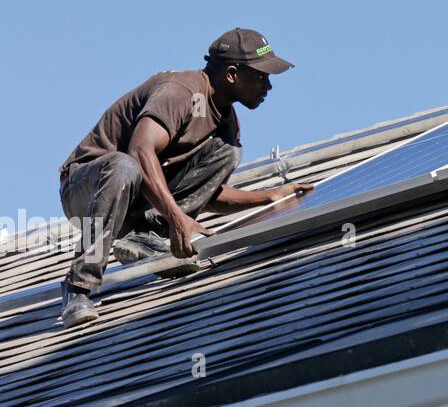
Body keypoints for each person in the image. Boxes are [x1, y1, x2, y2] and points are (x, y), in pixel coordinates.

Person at [56, 28, 311, 328]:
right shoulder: (181, 93)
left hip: (135, 196)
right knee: (125, 166)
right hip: (86, 188)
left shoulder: (225, 124)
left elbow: (206, 193)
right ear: (232, 74)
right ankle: (78, 286)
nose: (268, 85)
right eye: (260, 76)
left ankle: (144, 238)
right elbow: (140, 151)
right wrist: (178, 219)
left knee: (229, 153)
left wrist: (268, 197)